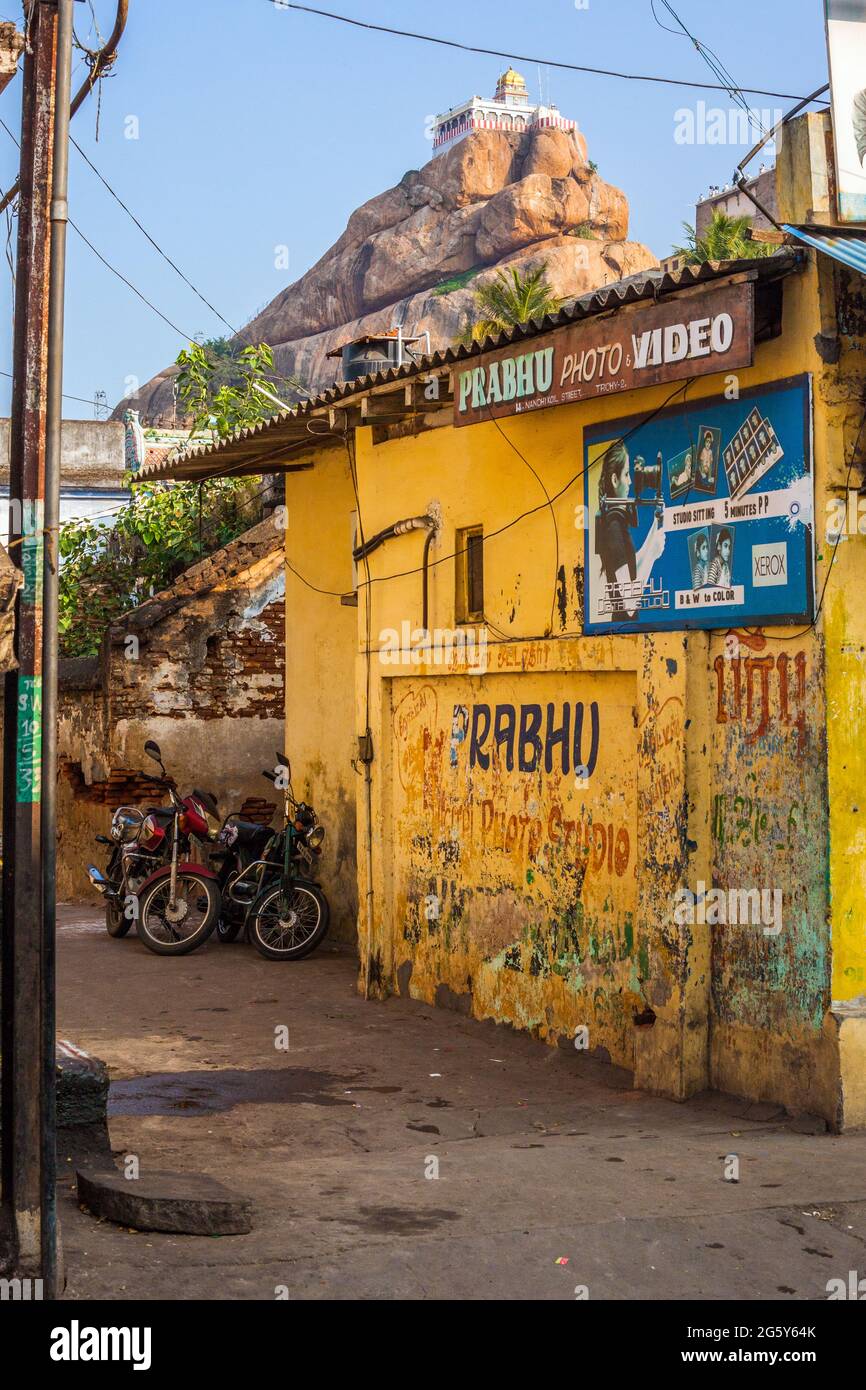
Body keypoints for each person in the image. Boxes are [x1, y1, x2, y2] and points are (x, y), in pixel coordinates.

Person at [595, 440, 665, 620]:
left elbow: (632, 566)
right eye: (626, 474)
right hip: (622, 626)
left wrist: (654, 530)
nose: (631, 481)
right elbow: (629, 604)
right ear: (614, 479)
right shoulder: (613, 528)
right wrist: (652, 555)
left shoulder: (617, 521)